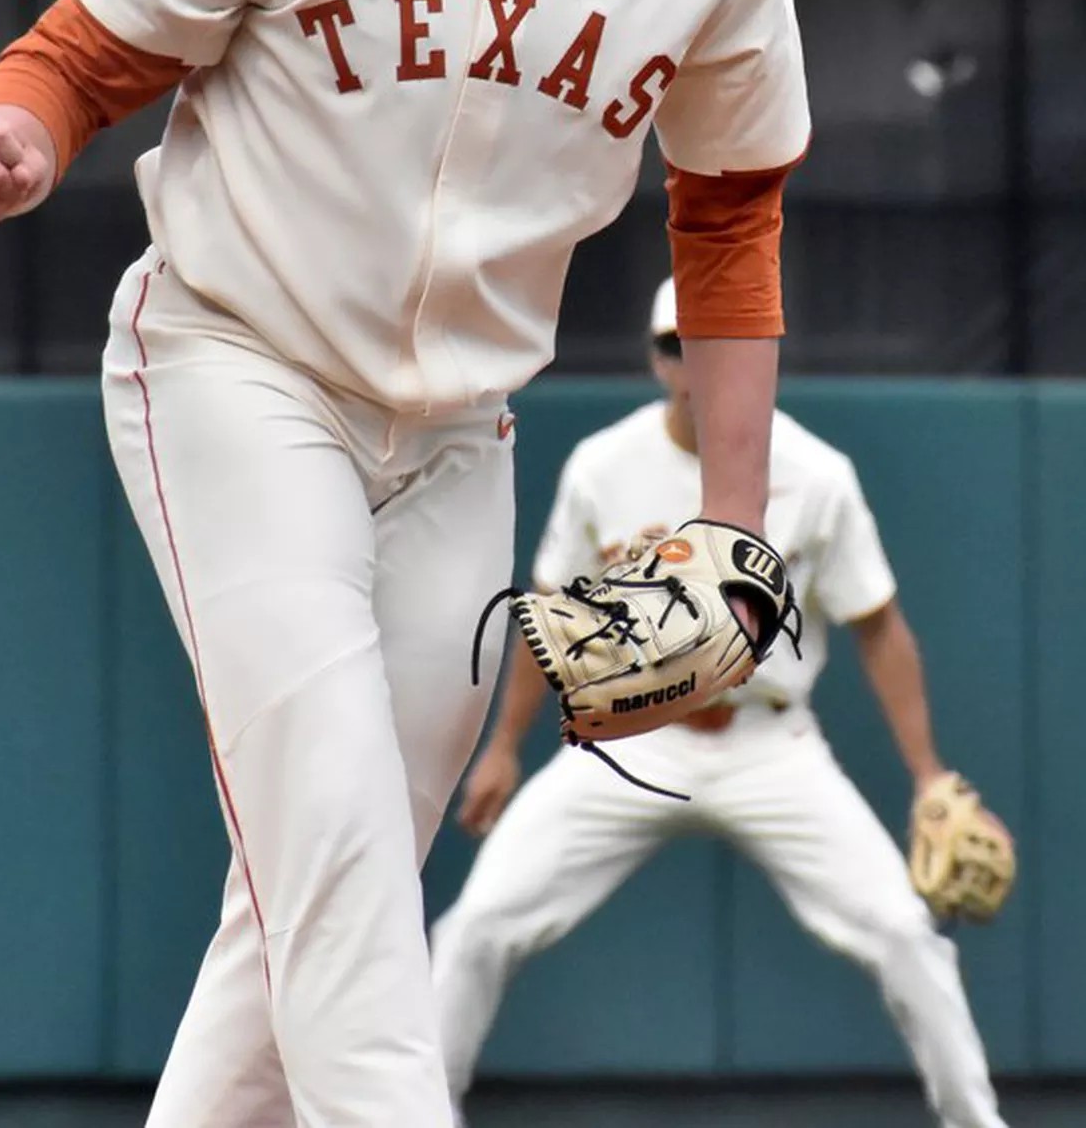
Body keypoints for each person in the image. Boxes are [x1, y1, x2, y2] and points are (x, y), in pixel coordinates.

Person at [0, 0, 811, 1120]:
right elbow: (74, 57)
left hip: (460, 437)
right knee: (333, 850)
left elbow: (731, 215)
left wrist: (727, 533)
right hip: (233, 363)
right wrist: (22, 131)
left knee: (314, 902)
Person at [428, 279, 1013, 1128]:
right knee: (479, 924)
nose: (695, 365)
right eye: (677, 346)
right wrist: (504, 747)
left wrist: (928, 776)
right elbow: (548, 613)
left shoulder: (816, 474)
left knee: (903, 931)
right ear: (656, 358)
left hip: (769, 744)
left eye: (713, 346)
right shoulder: (605, 464)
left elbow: (879, 627)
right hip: (630, 743)